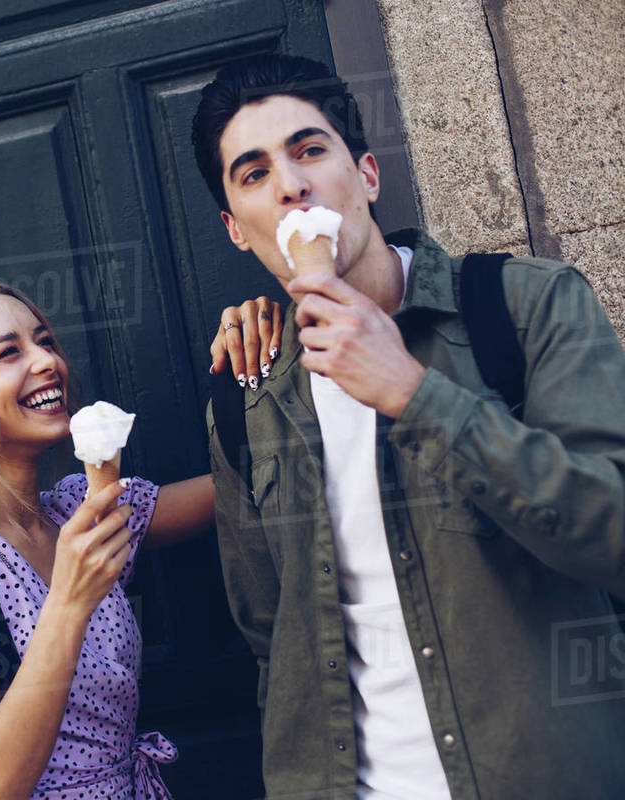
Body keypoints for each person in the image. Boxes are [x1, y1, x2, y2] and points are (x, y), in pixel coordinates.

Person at [191, 52, 625, 799]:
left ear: (366, 175)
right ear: (236, 229)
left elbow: (612, 533)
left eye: (309, 150)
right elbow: (271, 636)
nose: (290, 185)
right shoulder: (245, 395)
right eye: (254, 173)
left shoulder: (524, 307)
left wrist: (416, 396)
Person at [0, 280, 281, 799]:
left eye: (44, 341)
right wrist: (69, 600)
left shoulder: (75, 511)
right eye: (8, 353)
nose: (48, 361)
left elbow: (249, 488)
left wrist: (259, 346)